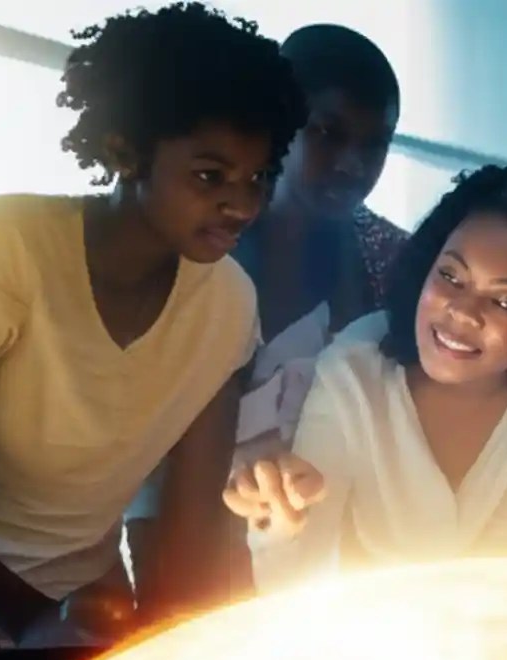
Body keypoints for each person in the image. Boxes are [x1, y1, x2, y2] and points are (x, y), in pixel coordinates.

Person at [0, 2, 307, 649]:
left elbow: (191, 515)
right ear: (124, 151)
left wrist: (173, 647)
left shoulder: (229, 304)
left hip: (84, 611)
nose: (242, 203)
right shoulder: (1, 247)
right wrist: (24, 618)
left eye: (258, 177)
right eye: (211, 176)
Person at [222, 165, 507, 590]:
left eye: (506, 302)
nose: (461, 311)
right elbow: (288, 579)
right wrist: (280, 517)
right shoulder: (354, 367)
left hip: (493, 636)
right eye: (450, 276)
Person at [123, 23, 409, 600]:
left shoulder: (394, 262)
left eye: (375, 144)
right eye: (329, 134)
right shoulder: (200, 240)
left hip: (315, 542)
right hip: (178, 522)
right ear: (280, 127)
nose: (354, 163)